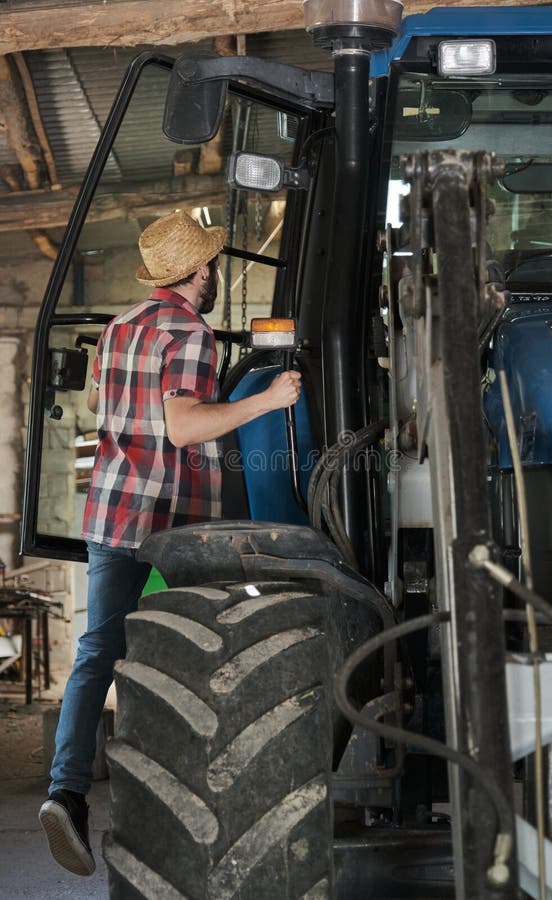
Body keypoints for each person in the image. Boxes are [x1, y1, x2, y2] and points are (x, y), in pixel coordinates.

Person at [39, 209, 302, 876]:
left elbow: (106, 407)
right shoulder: (190, 333)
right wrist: (269, 400)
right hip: (169, 525)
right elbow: (185, 429)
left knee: (99, 651)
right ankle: (178, 813)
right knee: (192, 665)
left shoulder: (120, 328)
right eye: (210, 265)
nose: (212, 275)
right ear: (201, 272)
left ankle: (66, 794)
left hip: (110, 513)